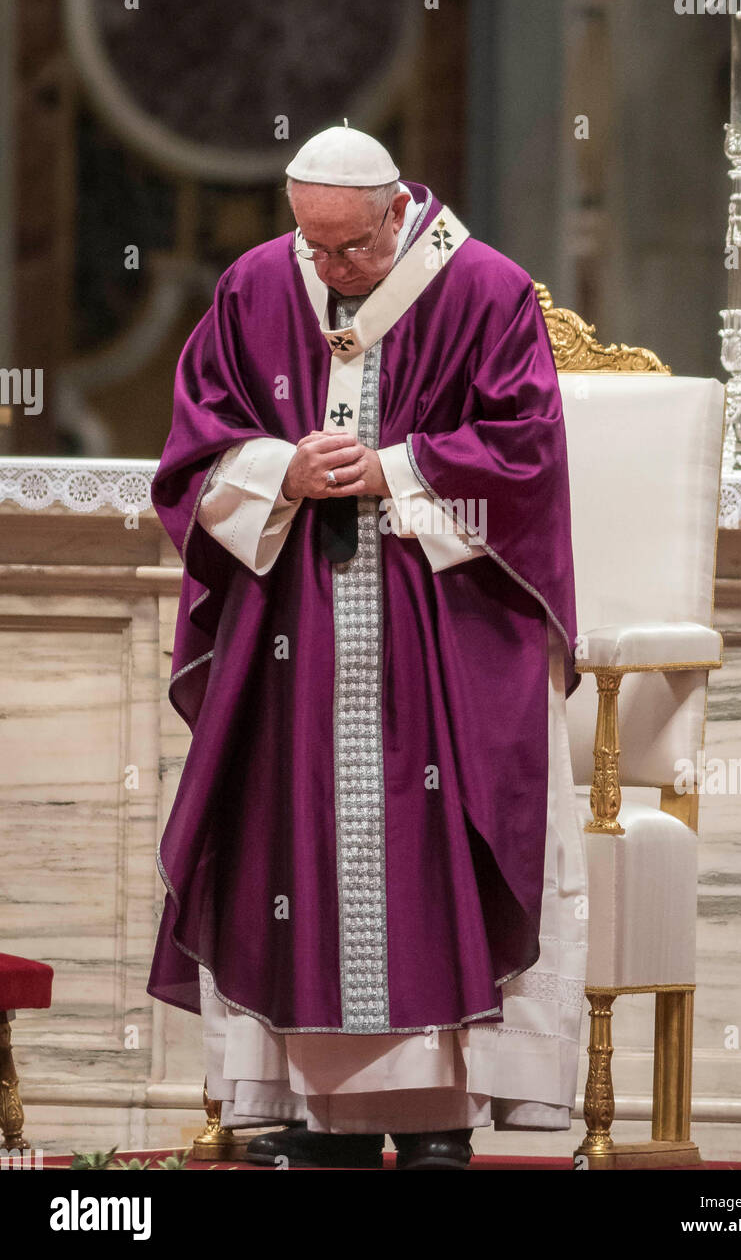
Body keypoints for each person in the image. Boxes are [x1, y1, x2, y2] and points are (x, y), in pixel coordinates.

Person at [148, 124, 588, 1170]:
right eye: (313, 244)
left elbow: (524, 452)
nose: (329, 268)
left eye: (349, 247)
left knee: (427, 852)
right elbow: (196, 439)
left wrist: (394, 469)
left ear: (397, 211)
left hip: (443, 621)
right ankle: (315, 1114)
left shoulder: (484, 290)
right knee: (288, 844)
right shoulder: (257, 285)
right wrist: (278, 471)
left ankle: (436, 1114)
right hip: (290, 618)